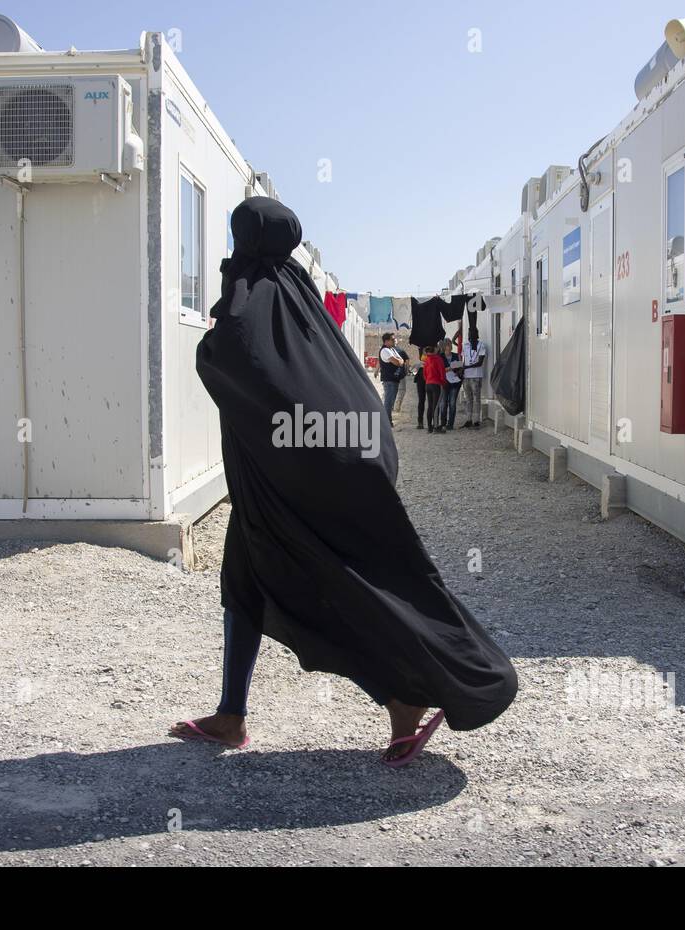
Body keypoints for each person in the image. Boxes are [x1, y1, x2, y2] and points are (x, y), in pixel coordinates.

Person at [176, 197, 517, 766]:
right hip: (338, 456)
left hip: (291, 475)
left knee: (336, 583)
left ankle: (419, 690)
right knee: (251, 578)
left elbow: (233, 357)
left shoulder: (252, 287)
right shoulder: (302, 293)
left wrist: (208, 346)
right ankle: (236, 714)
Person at [377, 332, 406, 425]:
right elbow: (397, 362)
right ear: (386, 341)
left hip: (394, 379)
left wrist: (400, 361)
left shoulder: (392, 349)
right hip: (389, 380)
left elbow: (401, 359)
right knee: (388, 402)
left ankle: (386, 420)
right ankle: (386, 422)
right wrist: (400, 361)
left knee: (390, 401)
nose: (394, 341)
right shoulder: (385, 351)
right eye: (392, 339)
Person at [460, 330, 486, 427]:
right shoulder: (466, 345)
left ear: (477, 336)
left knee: (476, 399)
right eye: (469, 336)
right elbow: (464, 360)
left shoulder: (481, 346)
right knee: (468, 399)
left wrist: (466, 367)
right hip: (466, 376)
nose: (470, 338)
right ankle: (468, 419)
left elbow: (480, 362)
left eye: (473, 336)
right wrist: (462, 370)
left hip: (476, 376)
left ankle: (476, 420)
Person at [421, 344, 446, 434]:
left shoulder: (426, 360)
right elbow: (442, 372)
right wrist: (443, 383)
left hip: (428, 384)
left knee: (430, 406)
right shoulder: (438, 359)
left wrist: (428, 380)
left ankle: (429, 427)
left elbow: (424, 374)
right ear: (435, 350)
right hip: (436, 384)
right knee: (436, 406)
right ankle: (435, 427)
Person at [440, 339, 463, 431]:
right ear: (444, 346)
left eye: (450, 344)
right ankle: (443, 423)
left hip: (455, 382)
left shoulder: (456, 355)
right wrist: (449, 368)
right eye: (448, 344)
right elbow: (439, 370)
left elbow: (461, 367)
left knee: (452, 403)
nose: (450, 346)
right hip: (444, 382)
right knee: (443, 403)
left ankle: (450, 424)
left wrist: (459, 371)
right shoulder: (440, 357)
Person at [392, 343, 410, 415]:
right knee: (402, 390)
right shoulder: (401, 351)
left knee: (392, 390)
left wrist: (377, 370)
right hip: (401, 374)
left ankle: (392, 406)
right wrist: (407, 370)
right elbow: (407, 360)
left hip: (391, 375)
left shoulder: (387, 351)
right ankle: (397, 406)